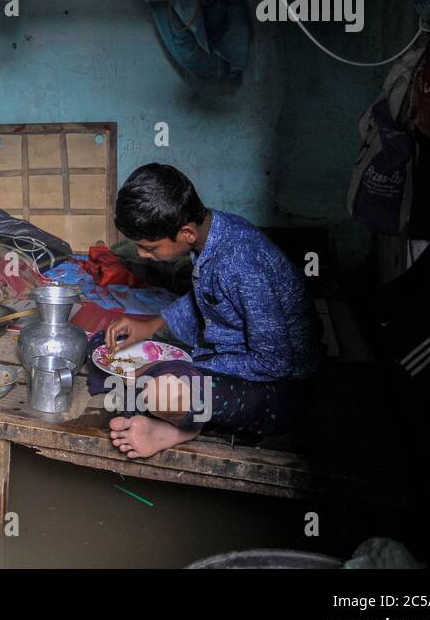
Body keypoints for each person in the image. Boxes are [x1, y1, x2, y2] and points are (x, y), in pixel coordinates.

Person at [102, 163, 321, 458]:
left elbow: (274, 363)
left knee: (162, 391)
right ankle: (183, 422)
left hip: (280, 390)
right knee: (105, 350)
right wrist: (152, 324)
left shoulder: (241, 265)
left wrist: (192, 367)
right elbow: (206, 299)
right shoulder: (214, 231)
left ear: (186, 233)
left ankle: (180, 428)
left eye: (150, 247)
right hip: (229, 362)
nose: (142, 254)